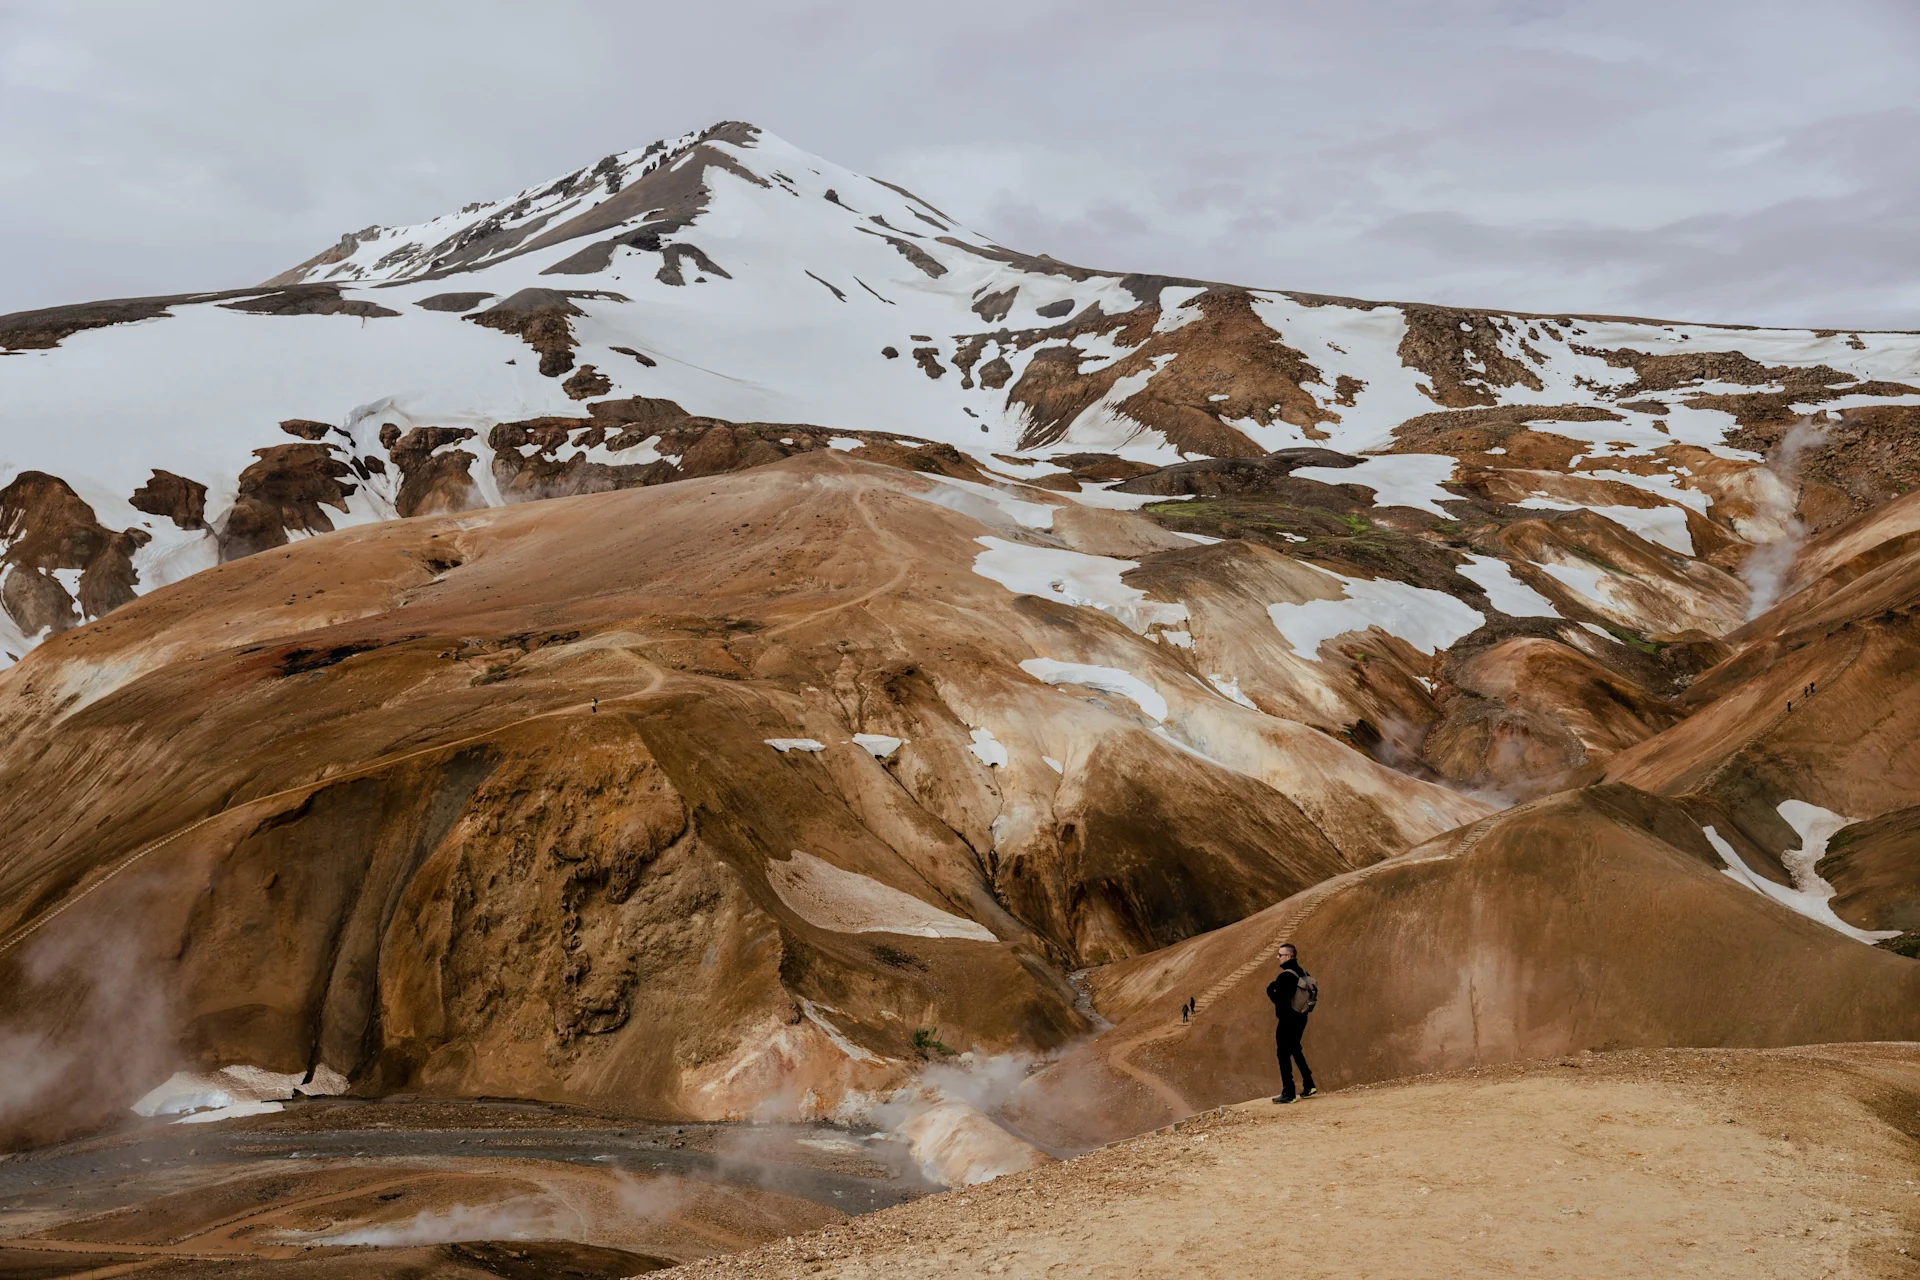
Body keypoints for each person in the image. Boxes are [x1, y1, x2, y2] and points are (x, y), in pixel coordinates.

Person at [1265, 943, 1317, 1104]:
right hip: (1302, 1018)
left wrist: (1270, 991)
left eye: (1280, 955)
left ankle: (1289, 1092)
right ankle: (1309, 1084)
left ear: (1288, 957)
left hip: (1288, 1020)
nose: (1277, 958)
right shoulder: (1303, 973)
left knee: (1283, 1054)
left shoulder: (1285, 976)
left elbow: (1280, 1002)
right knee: (1295, 1048)